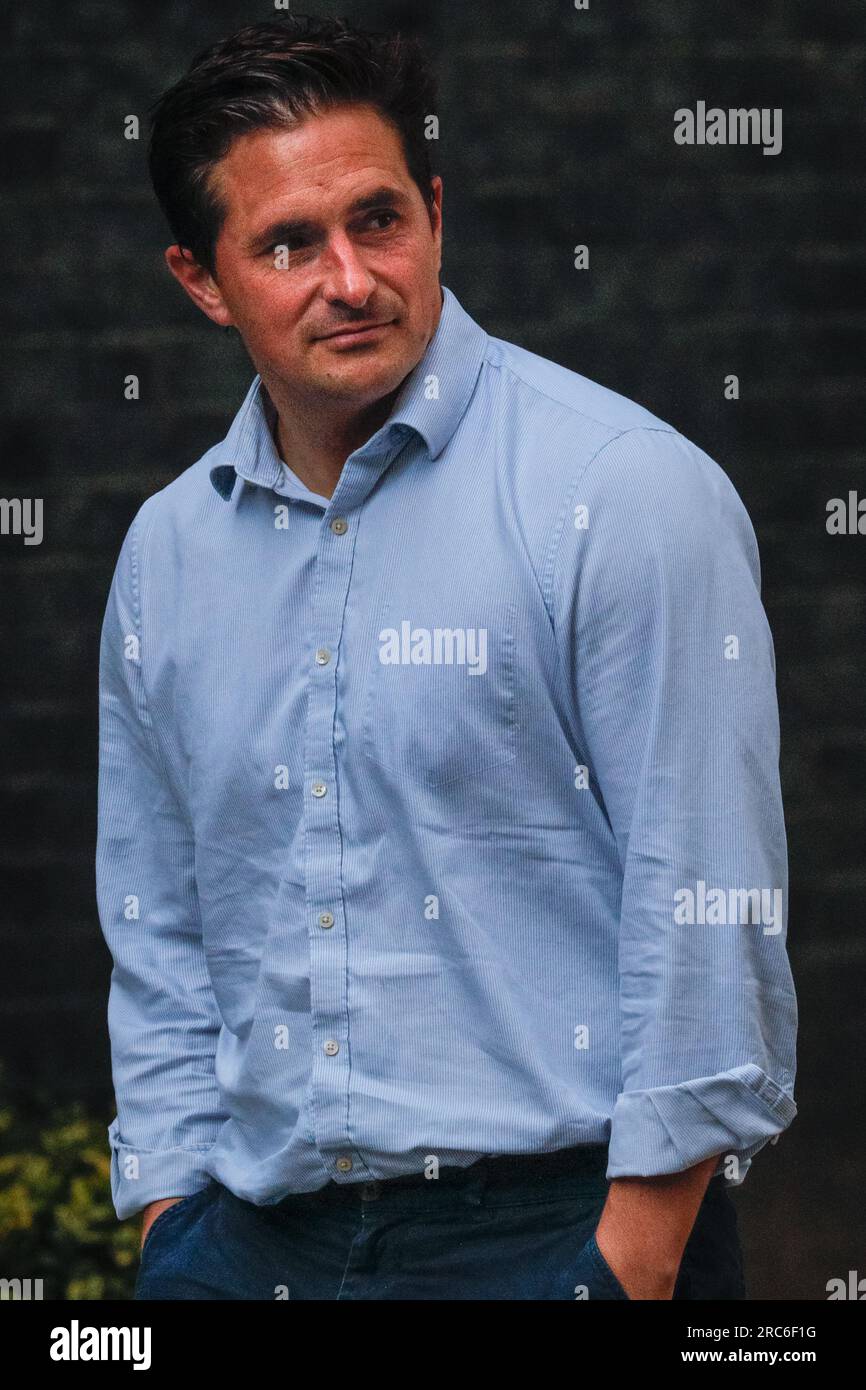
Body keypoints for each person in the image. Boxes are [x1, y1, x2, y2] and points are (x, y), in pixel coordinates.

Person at [96, 14, 798, 1301]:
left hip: (555, 1236)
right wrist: (168, 1215)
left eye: (378, 220)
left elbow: (706, 897)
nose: (350, 278)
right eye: (288, 244)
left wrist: (625, 1258)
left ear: (433, 209)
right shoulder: (168, 555)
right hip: (250, 1246)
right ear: (202, 280)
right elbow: (160, 921)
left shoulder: (622, 493)